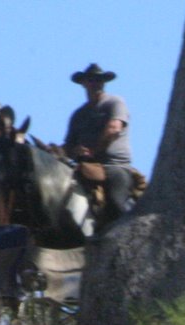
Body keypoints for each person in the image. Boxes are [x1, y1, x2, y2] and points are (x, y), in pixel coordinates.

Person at [63, 63, 135, 222]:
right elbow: (68, 146)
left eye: (98, 80)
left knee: (116, 203)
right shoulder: (78, 115)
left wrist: (93, 151)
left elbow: (114, 129)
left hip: (114, 165)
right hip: (85, 166)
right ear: (83, 83)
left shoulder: (114, 103)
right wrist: (74, 151)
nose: (95, 83)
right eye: (91, 80)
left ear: (104, 83)